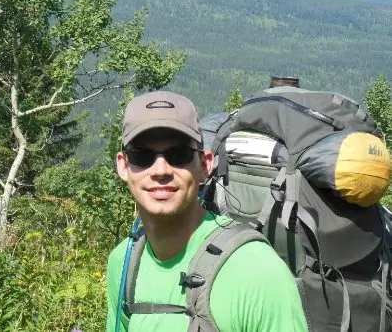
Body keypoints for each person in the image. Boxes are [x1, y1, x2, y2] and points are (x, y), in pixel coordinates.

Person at [106, 91, 308, 332]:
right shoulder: (125, 262)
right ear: (123, 165)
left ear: (205, 165)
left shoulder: (257, 272)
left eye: (178, 155)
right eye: (142, 156)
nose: (160, 170)